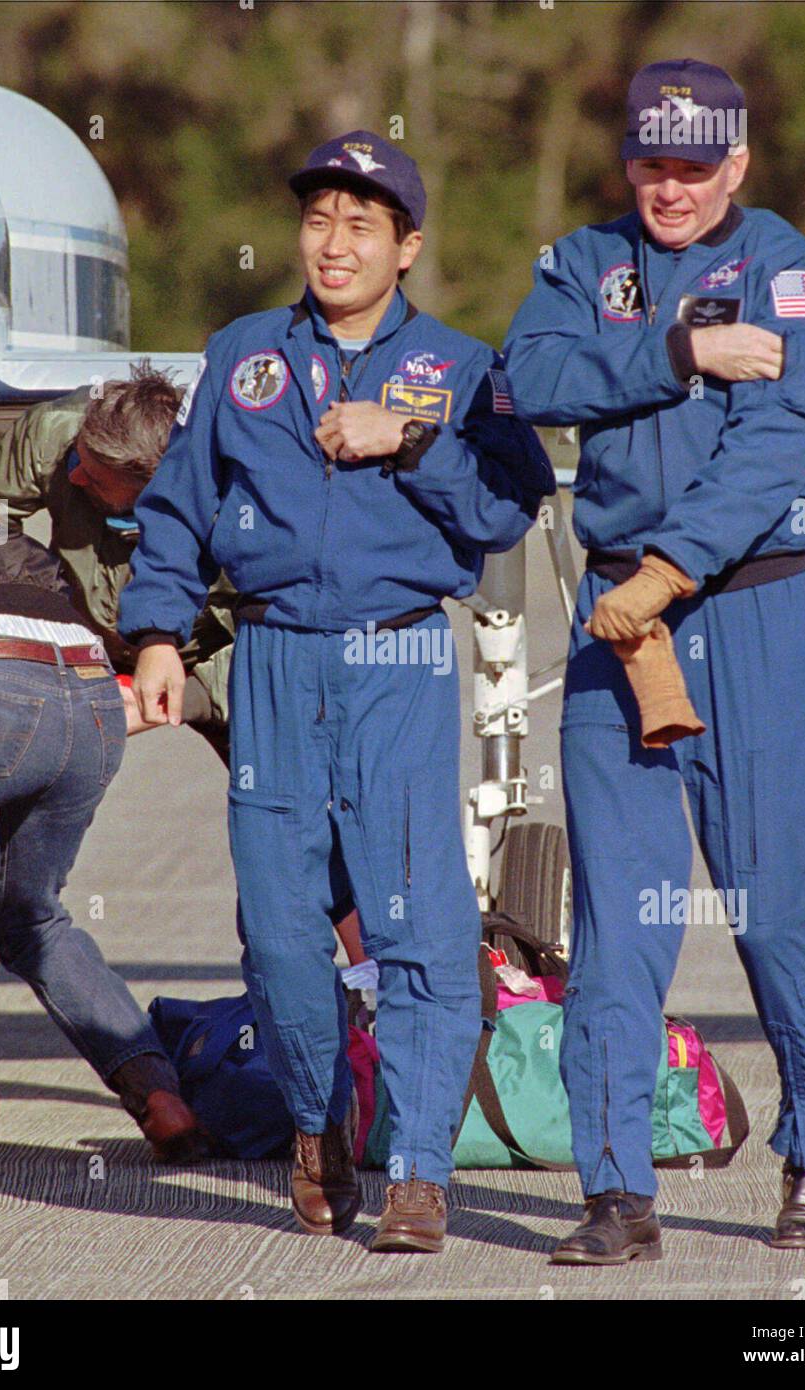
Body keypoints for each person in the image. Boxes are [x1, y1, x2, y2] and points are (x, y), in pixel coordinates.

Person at [119, 131, 554, 1251]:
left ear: (406, 246)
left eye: (362, 223)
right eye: (318, 219)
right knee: (274, 932)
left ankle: (413, 1170)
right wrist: (159, 634)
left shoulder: (461, 368)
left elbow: (508, 507)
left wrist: (408, 439)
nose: (333, 241)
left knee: (415, 921)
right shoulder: (246, 354)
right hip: (268, 660)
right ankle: (316, 1125)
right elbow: (175, 506)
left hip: (399, 661)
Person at [503, 59, 805, 1262]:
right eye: (652, 162)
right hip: (616, 627)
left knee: (776, 901)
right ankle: (617, 1190)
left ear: (737, 164)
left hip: (743, 620)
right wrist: (672, 354)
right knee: (615, 917)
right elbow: (527, 379)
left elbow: (780, 446)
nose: (670, 185)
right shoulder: (576, 264)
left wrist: (672, 568)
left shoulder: (789, 273)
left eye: (695, 165)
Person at [0, 367, 234, 1138]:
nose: (72, 476)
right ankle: (156, 1094)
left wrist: (175, 696)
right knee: (31, 916)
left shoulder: (231, 499)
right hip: (90, 698)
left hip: (85, 680)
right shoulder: (58, 440)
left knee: (307, 826)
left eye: (94, 479)